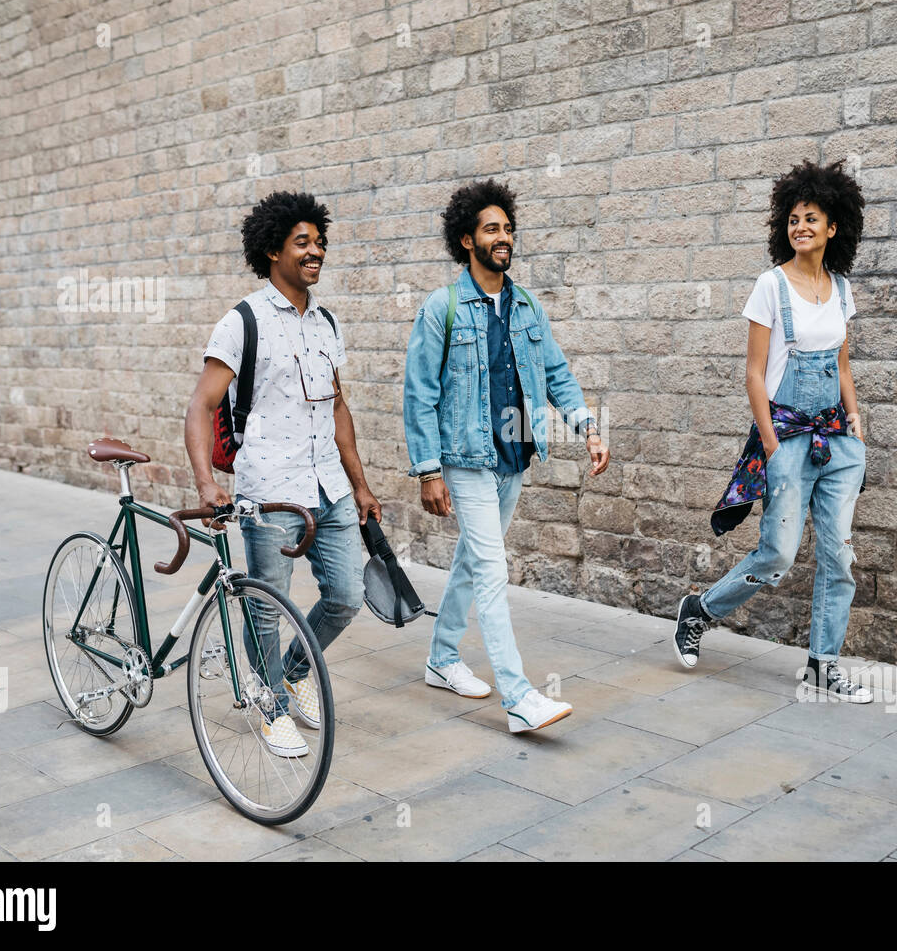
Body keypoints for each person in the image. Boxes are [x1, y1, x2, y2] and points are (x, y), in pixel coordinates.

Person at [403, 179, 610, 733]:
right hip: (466, 460)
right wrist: (427, 470)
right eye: (492, 229)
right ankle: (520, 698)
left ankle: (442, 657)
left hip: (512, 458)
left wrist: (587, 426)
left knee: (474, 560)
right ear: (467, 239)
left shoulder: (525, 306)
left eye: (508, 228)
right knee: (493, 569)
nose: (504, 238)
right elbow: (419, 393)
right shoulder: (441, 309)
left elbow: (557, 374)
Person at [185, 190, 382, 756]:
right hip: (270, 491)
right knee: (266, 605)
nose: (316, 251)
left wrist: (361, 485)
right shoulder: (241, 322)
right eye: (303, 243)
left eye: (320, 242)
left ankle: (296, 672)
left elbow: (337, 407)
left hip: (330, 488)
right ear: (274, 250)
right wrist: (206, 483)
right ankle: (268, 702)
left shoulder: (326, 323)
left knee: (345, 596)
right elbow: (201, 405)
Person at [673, 160, 873, 702]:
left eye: (811, 218)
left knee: (840, 557)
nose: (800, 227)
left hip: (837, 441)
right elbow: (755, 373)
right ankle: (700, 610)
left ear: (835, 227)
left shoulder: (841, 289)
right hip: (785, 437)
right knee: (779, 554)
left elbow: (844, 365)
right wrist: (767, 441)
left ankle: (822, 664)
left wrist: (855, 424)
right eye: (792, 219)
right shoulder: (770, 285)